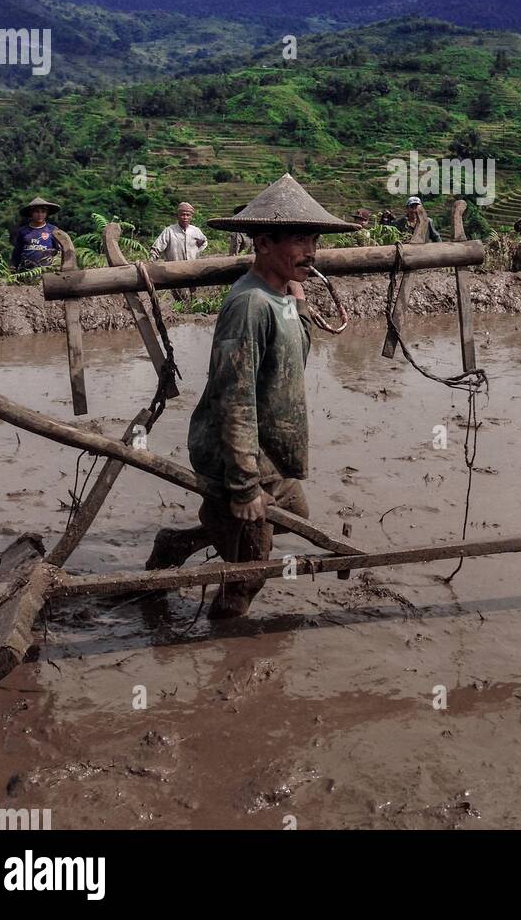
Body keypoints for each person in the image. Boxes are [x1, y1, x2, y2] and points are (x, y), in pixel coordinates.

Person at [144, 175, 360, 619]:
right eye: (300, 241)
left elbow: (294, 354)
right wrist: (243, 486)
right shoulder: (249, 305)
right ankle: (229, 649)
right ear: (263, 242)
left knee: (295, 516)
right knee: (250, 570)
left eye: (315, 241)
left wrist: (298, 297)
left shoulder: (279, 297)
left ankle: (179, 542)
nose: (312, 252)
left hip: (272, 456)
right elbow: (234, 397)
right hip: (242, 460)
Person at [151, 202, 208, 302]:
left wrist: (197, 249)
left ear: (191, 217)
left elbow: (204, 241)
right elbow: (157, 247)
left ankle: (191, 312)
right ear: (178, 216)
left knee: (193, 295)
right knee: (180, 297)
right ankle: (182, 313)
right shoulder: (169, 231)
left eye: (188, 215)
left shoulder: (196, 231)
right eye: (182, 214)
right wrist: (151, 261)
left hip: (193, 269)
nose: (185, 217)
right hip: (175, 270)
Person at [10, 196, 63, 273]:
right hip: (26, 272)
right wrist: (13, 266)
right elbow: (17, 251)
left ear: (46, 213)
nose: (40, 214)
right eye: (37, 212)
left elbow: (59, 252)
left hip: (47, 272)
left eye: (43, 212)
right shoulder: (22, 231)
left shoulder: (53, 230)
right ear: (31, 213)